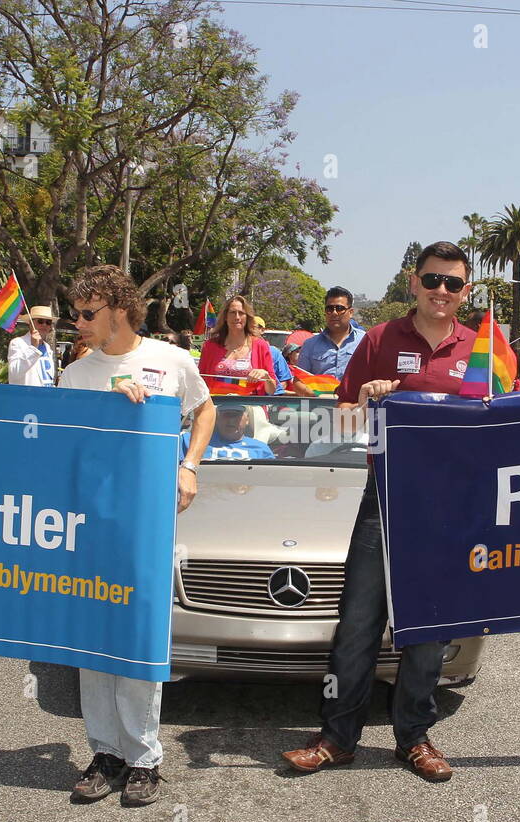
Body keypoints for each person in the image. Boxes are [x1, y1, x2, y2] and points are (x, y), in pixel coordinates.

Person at [281, 240, 478, 784]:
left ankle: (414, 737)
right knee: (358, 624)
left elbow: (504, 419)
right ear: (414, 282)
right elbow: (340, 423)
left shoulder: (483, 347)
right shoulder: (379, 339)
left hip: (450, 506)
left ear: (466, 290)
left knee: (429, 626)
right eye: (433, 280)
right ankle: (337, 738)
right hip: (385, 498)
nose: (442, 291)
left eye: (454, 283)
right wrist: (363, 401)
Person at [60, 264, 214, 806]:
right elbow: (68, 447)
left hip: (147, 518)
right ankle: (105, 751)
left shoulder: (170, 359)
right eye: (74, 312)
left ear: (120, 310)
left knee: (139, 631)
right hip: (89, 521)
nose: (76, 322)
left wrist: (190, 465)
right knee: (94, 635)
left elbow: (205, 408)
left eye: (86, 313)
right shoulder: (74, 375)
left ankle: (145, 757)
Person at [197, 295, 276, 395]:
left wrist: (265, 376)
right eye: (233, 313)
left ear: (247, 317)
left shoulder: (261, 346)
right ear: (225, 317)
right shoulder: (209, 346)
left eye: (241, 313)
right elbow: (200, 382)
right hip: (217, 406)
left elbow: (272, 390)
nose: (237, 317)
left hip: (251, 407)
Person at [298, 286, 366, 380]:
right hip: (319, 394)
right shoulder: (310, 345)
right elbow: (299, 381)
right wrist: (318, 395)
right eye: (329, 309)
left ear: (350, 312)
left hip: (355, 395)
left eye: (339, 308)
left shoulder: (365, 341)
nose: (334, 313)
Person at [185, 402, 276, 460]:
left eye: (236, 415)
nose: (231, 420)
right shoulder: (194, 441)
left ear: (247, 419)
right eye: (226, 415)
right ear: (217, 419)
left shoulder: (261, 449)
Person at [252, 314, 313, 397]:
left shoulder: (273, 352)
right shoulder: (239, 352)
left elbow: (283, 381)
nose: (249, 330)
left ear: (262, 330)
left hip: (268, 401)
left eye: (253, 327)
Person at [7, 305, 57, 386]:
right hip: (27, 396)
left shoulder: (47, 347)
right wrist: (33, 348)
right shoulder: (17, 343)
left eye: (48, 322)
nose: (44, 325)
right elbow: (14, 373)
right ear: (30, 323)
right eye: (40, 321)